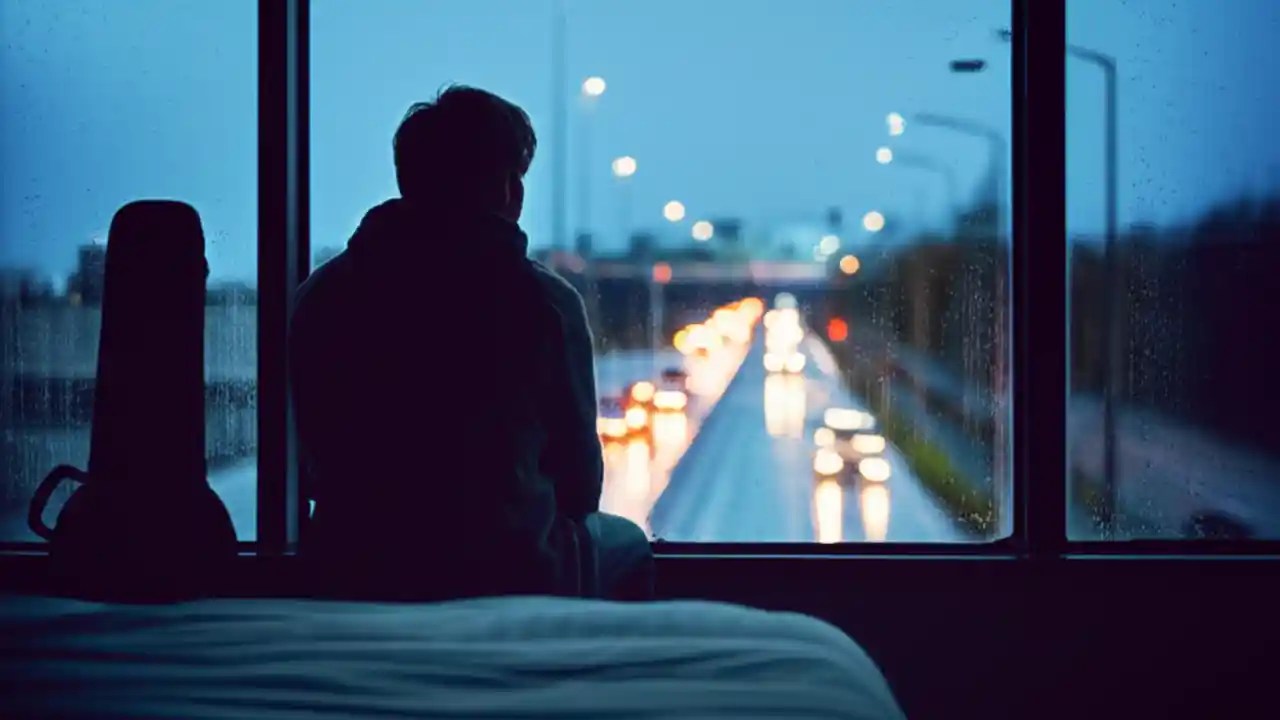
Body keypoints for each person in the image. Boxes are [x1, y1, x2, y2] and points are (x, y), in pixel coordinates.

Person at [289, 85, 653, 600]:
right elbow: (579, 484)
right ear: (508, 189)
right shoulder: (543, 302)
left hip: (353, 570)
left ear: (406, 179)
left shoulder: (323, 296)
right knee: (628, 544)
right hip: (509, 573)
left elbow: (310, 462)